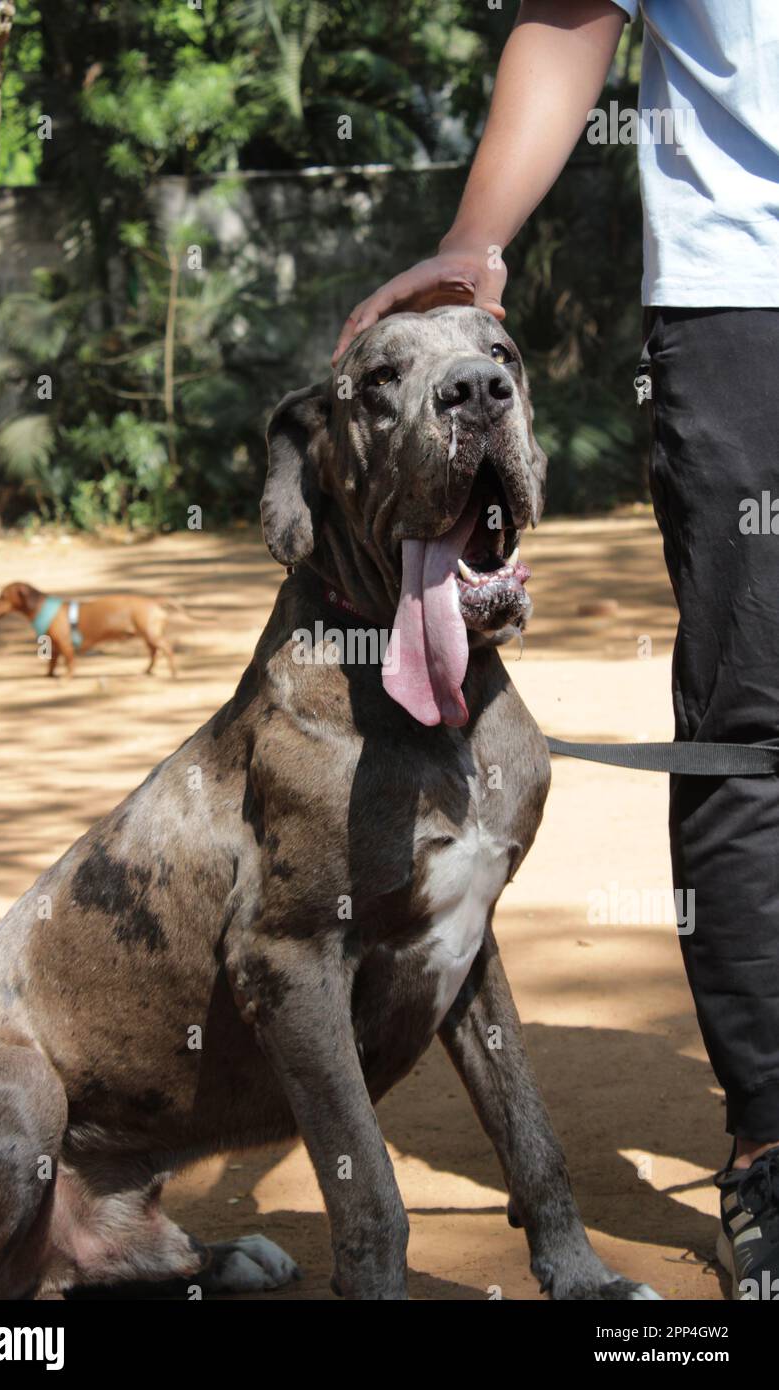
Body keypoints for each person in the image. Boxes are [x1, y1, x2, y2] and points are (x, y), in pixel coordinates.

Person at [334, 0, 779, 1300]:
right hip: (744, 297)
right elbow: (575, 11)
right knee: (749, 722)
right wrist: (477, 234)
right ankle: (768, 1135)